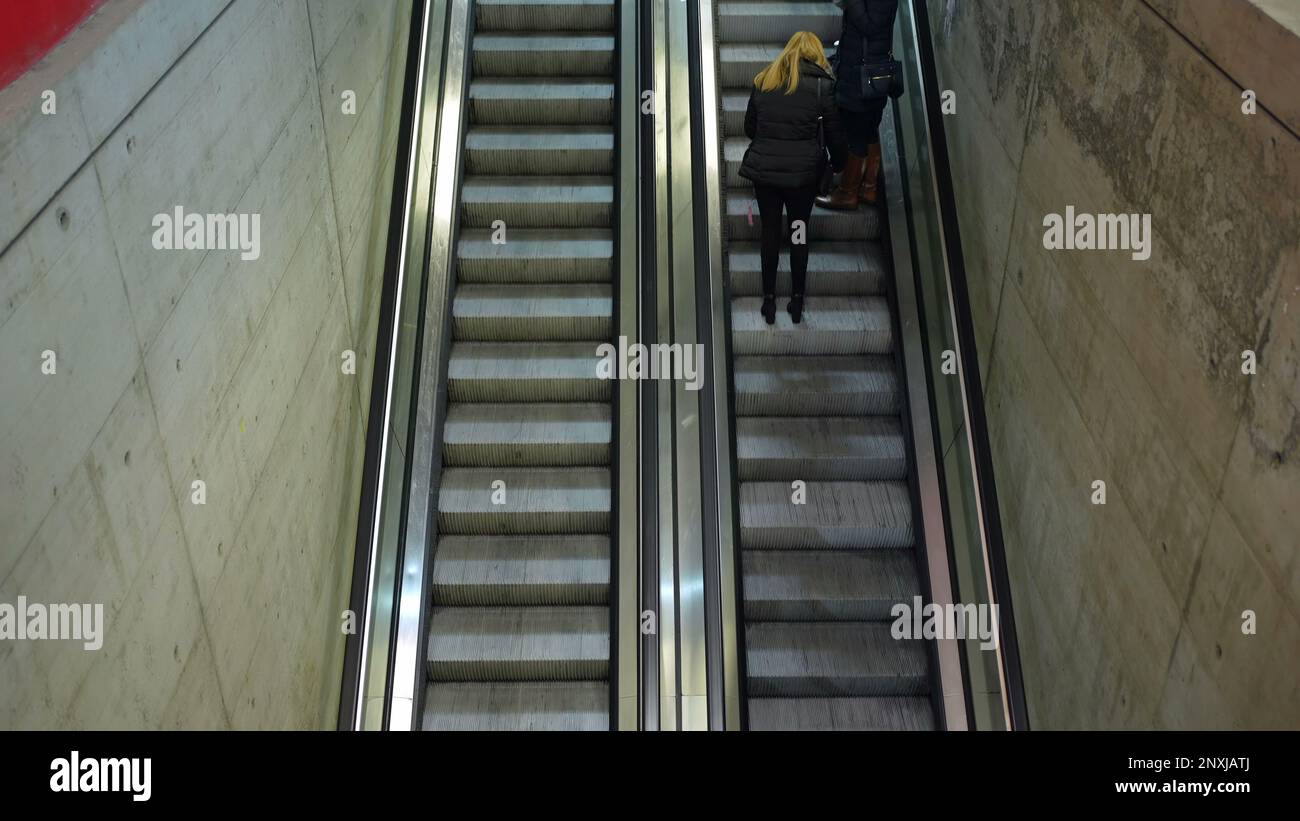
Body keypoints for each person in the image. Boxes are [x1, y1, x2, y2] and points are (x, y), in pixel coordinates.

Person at [739, 31, 847, 325]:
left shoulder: (765, 80)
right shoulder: (823, 88)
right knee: (799, 234)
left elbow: (750, 127)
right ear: (815, 55)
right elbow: (835, 135)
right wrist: (838, 164)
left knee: (770, 233)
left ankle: (769, 301)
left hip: (767, 176)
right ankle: (797, 302)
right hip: (802, 180)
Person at [817, 0, 900, 210]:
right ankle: (869, 187)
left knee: (855, 134)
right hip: (865, 73)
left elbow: (870, 26)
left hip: (862, 78)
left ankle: (847, 193)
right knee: (869, 131)